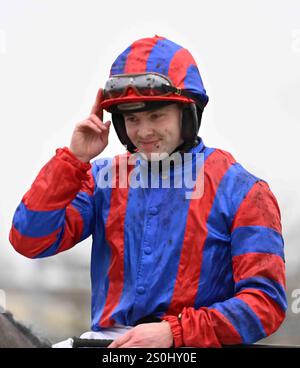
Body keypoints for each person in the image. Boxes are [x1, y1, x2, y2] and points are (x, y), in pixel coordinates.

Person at [9, 35, 287, 348]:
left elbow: (265, 303)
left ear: (189, 114)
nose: (144, 132)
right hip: (107, 344)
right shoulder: (102, 178)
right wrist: (73, 160)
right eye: (132, 119)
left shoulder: (244, 191)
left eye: (156, 116)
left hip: (193, 346)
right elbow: (29, 240)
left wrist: (175, 333)